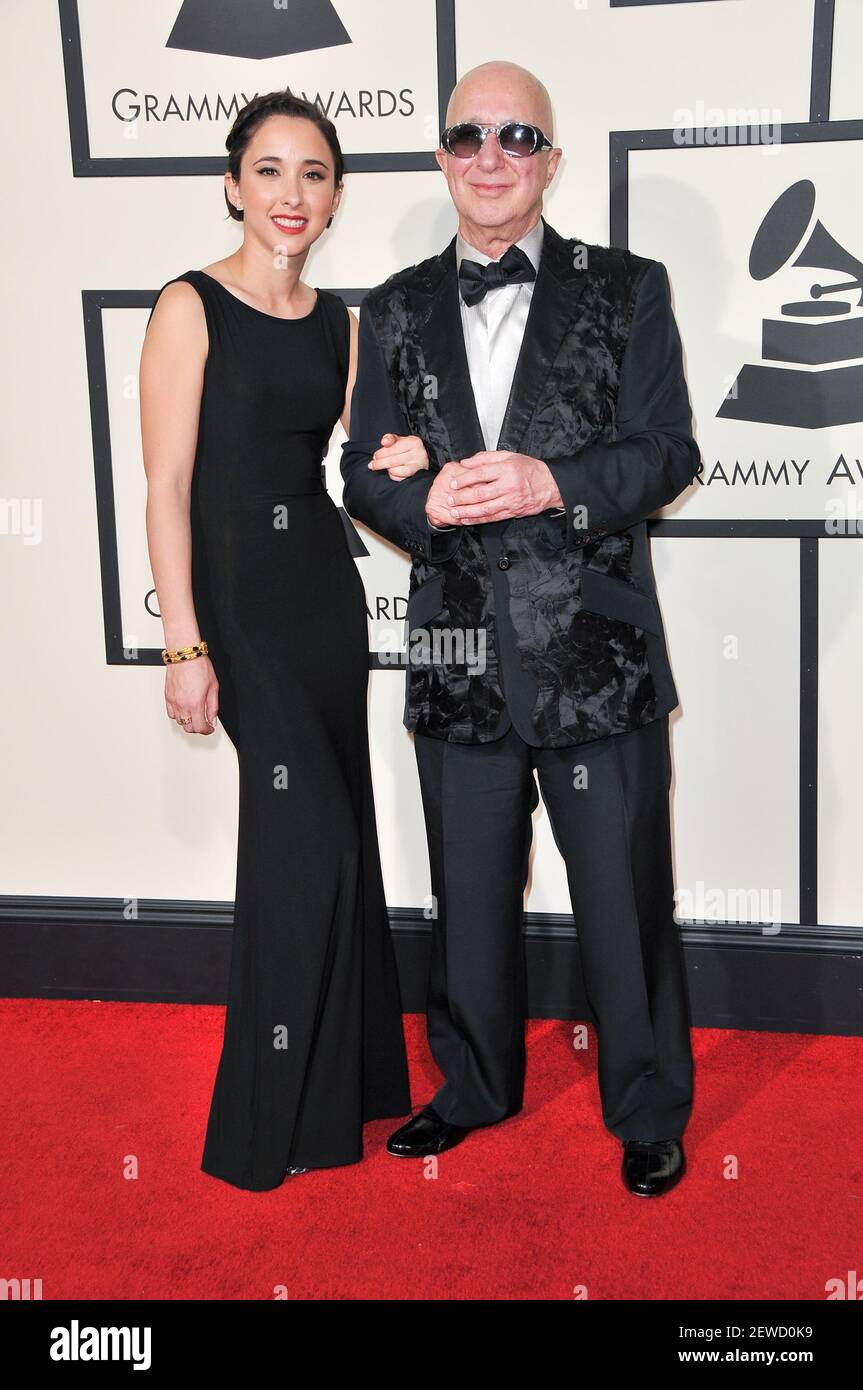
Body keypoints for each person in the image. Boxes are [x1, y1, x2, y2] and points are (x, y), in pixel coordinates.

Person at [341, 61, 702, 1197]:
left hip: (594, 655)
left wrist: (553, 481)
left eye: (515, 136)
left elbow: (666, 451)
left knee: (622, 897)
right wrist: (414, 501)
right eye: (465, 135)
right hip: (453, 652)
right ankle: (474, 1084)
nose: (488, 156)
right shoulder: (392, 305)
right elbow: (364, 470)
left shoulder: (628, 286)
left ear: (548, 160)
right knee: (469, 896)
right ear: (441, 156)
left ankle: (645, 1105)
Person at [139, 90, 428, 1191]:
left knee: (337, 835)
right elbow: (165, 488)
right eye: (268, 170)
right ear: (231, 184)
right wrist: (183, 646)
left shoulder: (340, 323)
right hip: (238, 607)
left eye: (312, 174)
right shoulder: (187, 306)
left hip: (321, 600)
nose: (289, 194)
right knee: (312, 846)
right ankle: (269, 1122)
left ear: (335, 196)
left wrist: (402, 461)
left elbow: (363, 462)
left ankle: (342, 1094)